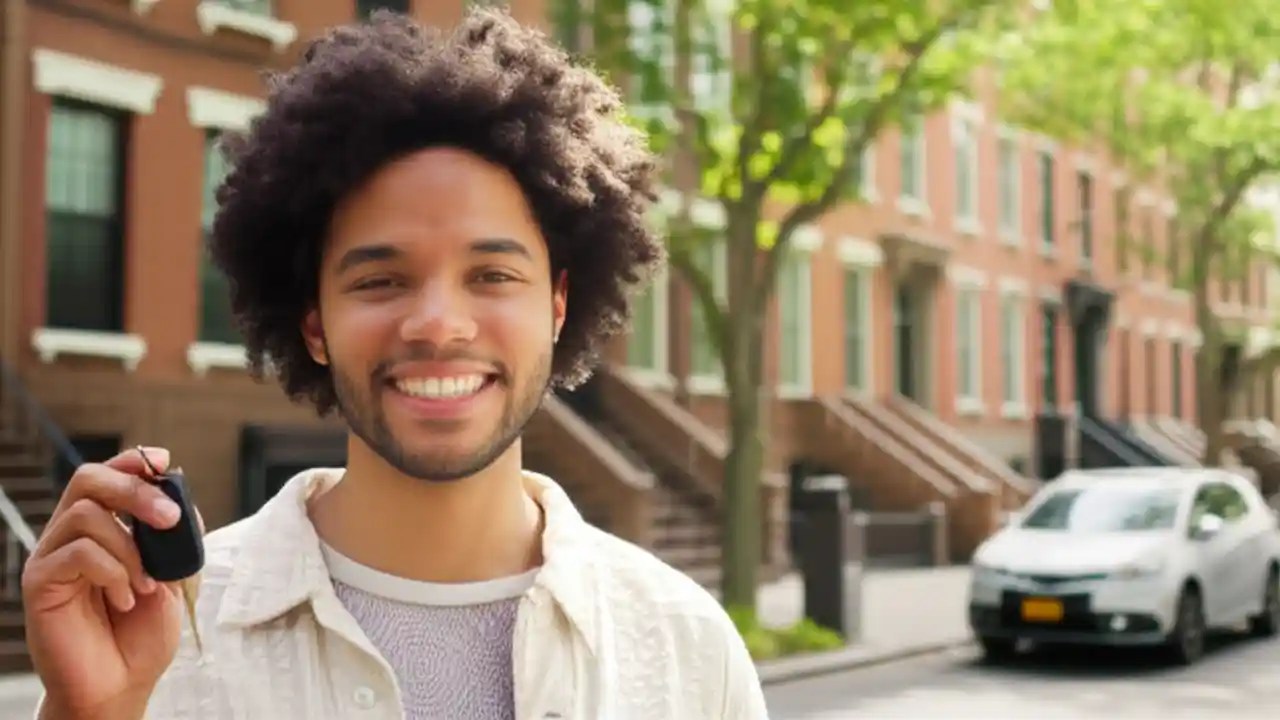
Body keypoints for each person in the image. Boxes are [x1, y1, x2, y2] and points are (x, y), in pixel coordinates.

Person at [21, 7, 769, 720]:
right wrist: (89, 713)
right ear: (314, 322)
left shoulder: (686, 650)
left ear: (558, 307)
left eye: (492, 275)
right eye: (380, 280)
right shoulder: (165, 644)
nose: (438, 325)